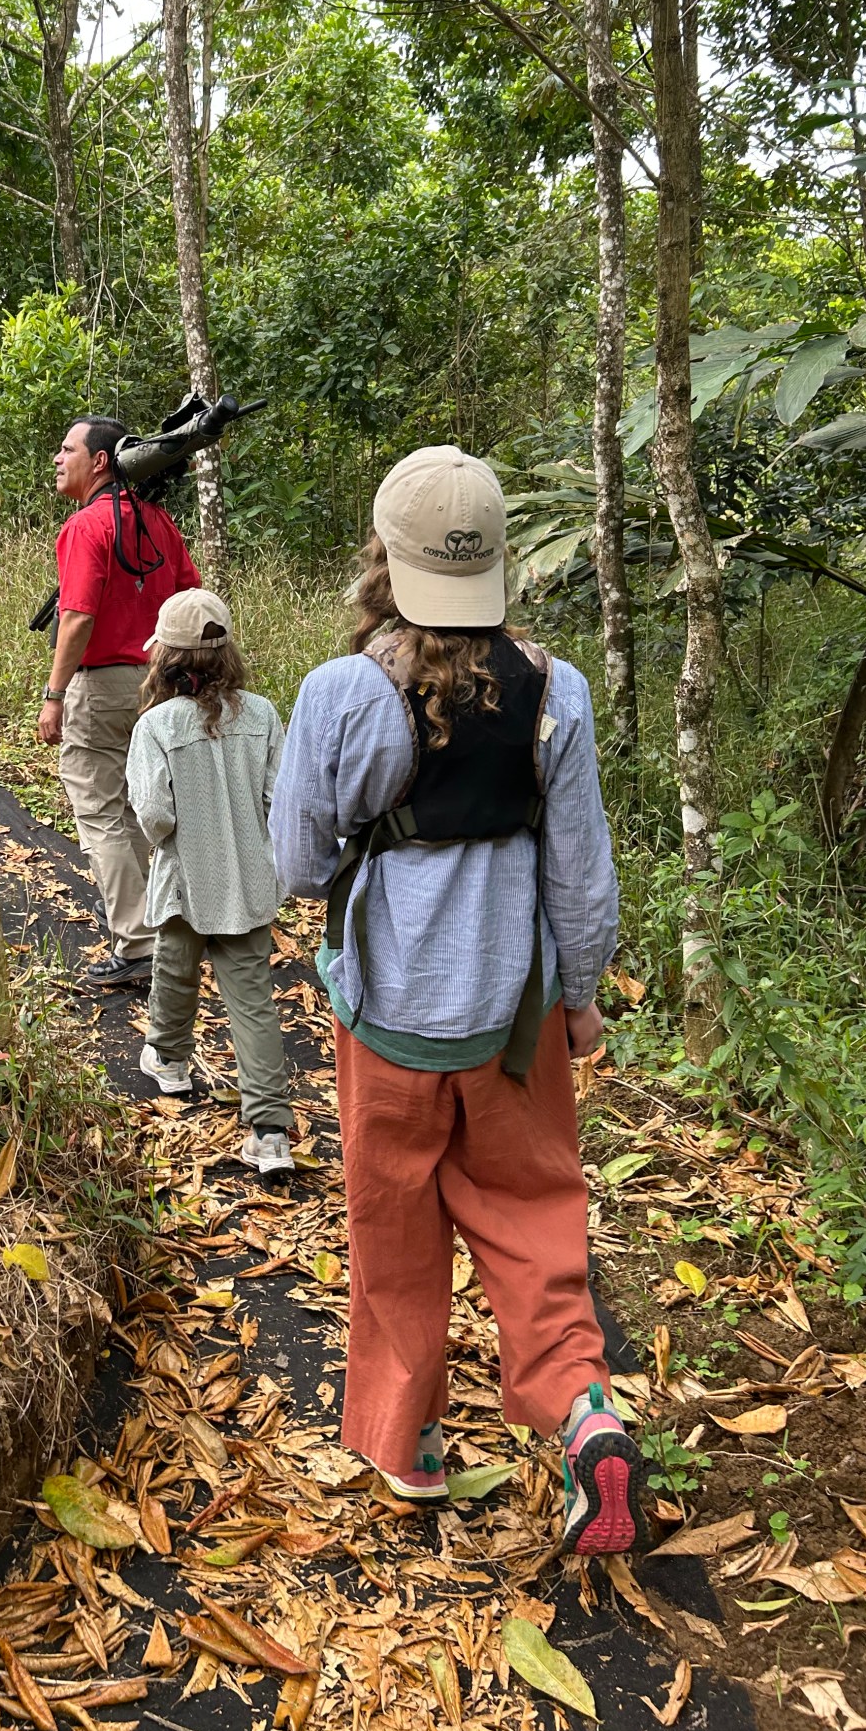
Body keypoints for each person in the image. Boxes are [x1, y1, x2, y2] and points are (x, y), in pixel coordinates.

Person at [269, 444, 641, 1556]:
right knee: (534, 1218)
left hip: (386, 1016)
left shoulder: (346, 692)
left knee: (395, 1227)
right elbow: (581, 869)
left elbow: (295, 860)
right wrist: (581, 995)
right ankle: (584, 1411)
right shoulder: (556, 691)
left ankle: (410, 1442)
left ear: (385, 556)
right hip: (512, 1021)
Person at [126, 589, 295, 1176]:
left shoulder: (157, 726)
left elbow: (154, 814)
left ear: (164, 658)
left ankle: (169, 1060)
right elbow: (281, 799)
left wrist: (177, 832)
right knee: (251, 1000)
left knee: (174, 967)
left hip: (185, 876)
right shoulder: (264, 715)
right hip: (248, 880)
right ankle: (270, 1130)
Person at [38, 418, 201, 989]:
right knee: (134, 806)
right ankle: (153, 929)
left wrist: (54, 695)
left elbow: (77, 615)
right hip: (156, 683)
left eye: (67, 449)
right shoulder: (158, 522)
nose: (57, 458)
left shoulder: (86, 526)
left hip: (101, 684)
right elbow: (192, 602)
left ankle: (135, 944)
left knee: (100, 811)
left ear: (100, 461)